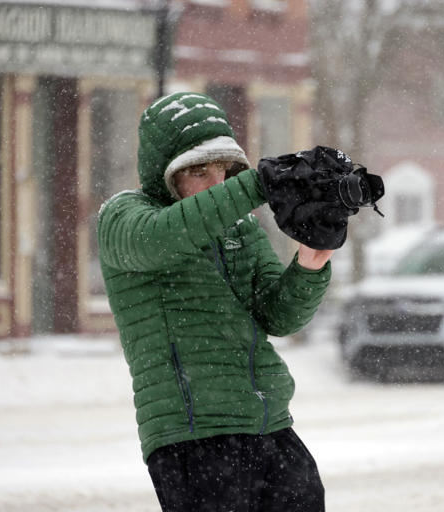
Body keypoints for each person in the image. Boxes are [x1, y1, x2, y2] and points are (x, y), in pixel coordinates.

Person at [97, 91, 334, 512]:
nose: (216, 184)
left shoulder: (239, 228)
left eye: (225, 171)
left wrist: (310, 265)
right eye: (199, 172)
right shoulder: (125, 218)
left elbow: (278, 316)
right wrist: (261, 183)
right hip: (194, 437)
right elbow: (167, 235)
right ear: (163, 173)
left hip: (271, 427)